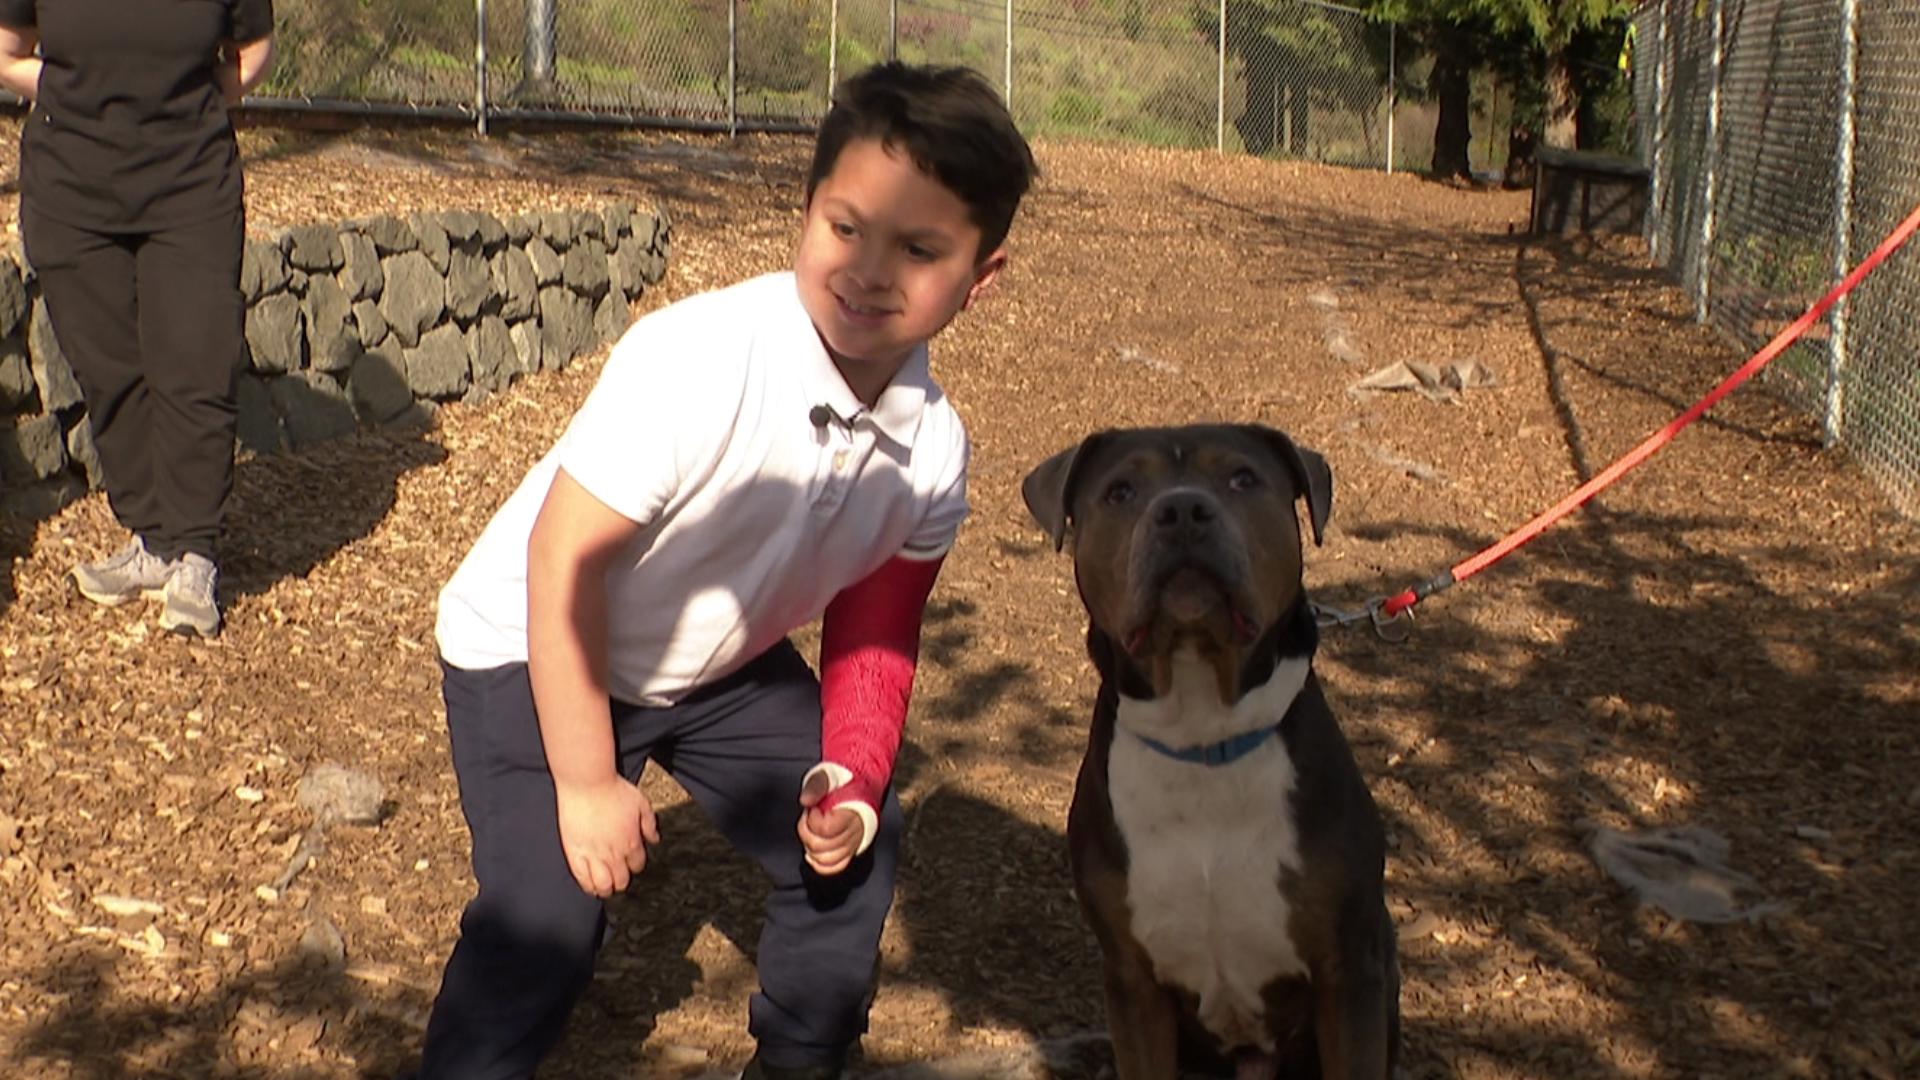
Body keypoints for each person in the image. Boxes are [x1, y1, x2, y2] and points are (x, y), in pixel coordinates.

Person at [418, 62, 1037, 1080]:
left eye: (920, 250)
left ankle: (799, 1062)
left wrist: (854, 777)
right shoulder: (701, 360)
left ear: (984, 275)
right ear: (807, 208)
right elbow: (562, 560)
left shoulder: (932, 455)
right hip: (532, 641)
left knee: (855, 847)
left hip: (712, 666)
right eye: (845, 227)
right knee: (548, 917)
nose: (869, 271)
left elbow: (875, 634)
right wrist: (587, 781)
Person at [0, 0, 275, 639]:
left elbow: (253, 53)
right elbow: (7, 52)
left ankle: (195, 553)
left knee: (195, 362)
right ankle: (155, 540)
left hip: (189, 186)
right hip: (72, 193)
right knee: (110, 369)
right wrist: (77, 92)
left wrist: (180, 105)